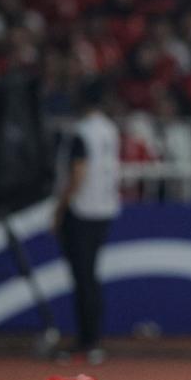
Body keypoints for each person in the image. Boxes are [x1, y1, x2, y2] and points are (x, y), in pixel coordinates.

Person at [52, 81, 121, 365]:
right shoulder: (110, 129)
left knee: (83, 278)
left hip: (82, 209)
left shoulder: (81, 133)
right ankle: (92, 339)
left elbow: (78, 173)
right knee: (90, 276)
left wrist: (60, 208)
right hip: (104, 207)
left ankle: (87, 340)